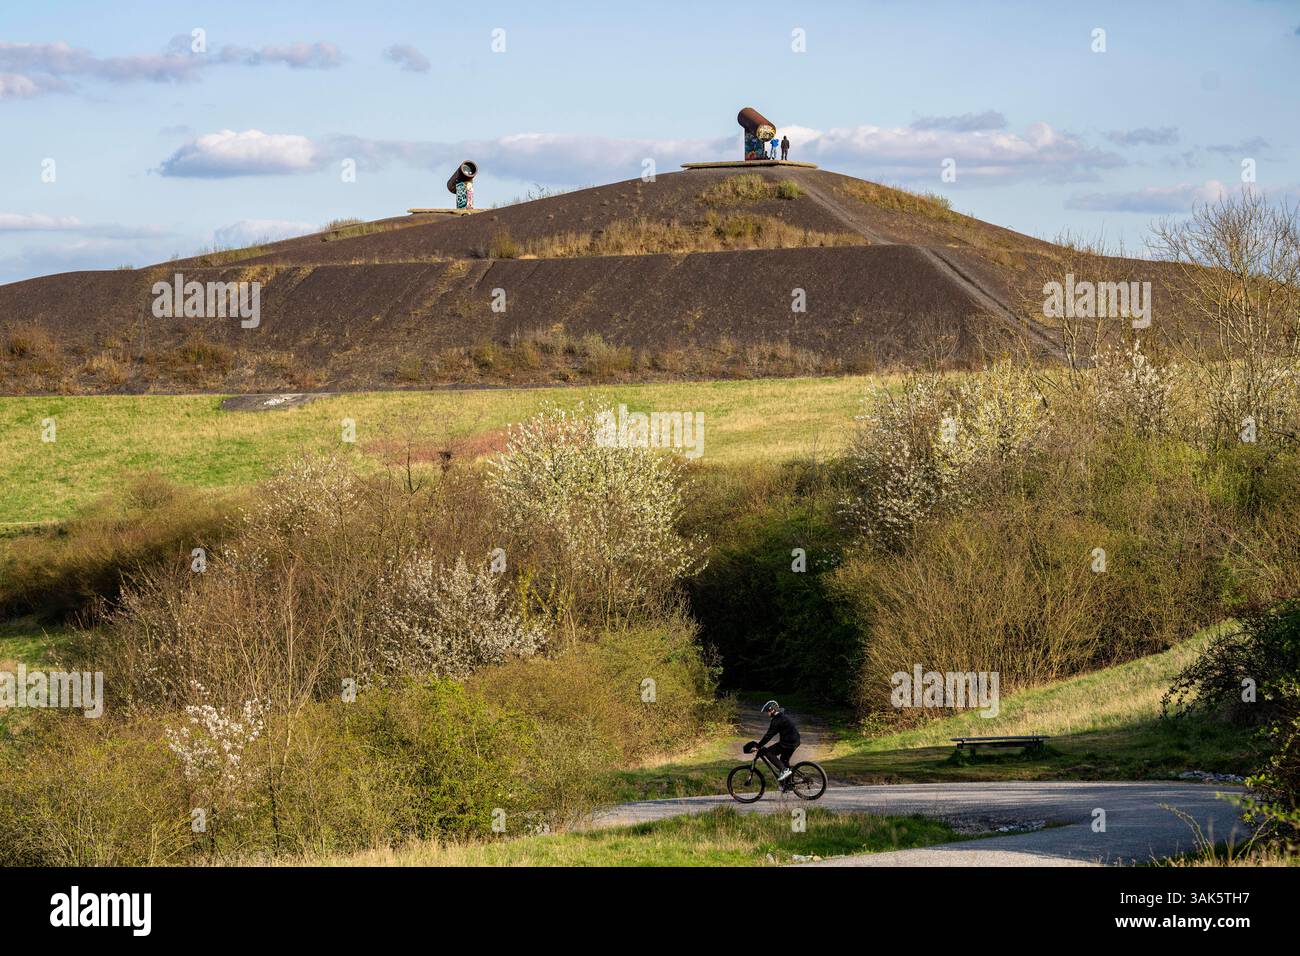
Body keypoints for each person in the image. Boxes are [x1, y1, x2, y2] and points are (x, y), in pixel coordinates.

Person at [755, 700, 800, 782]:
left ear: (773, 710)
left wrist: (758, 746)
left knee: (768, 753)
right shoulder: (781, 716)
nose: (768, 714)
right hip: (795, 741)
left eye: (768, 711)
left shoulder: (777, 720)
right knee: (784, 761)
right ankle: (788, 784)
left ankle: (784, 771)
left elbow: (769, 735)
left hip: (788, 743)